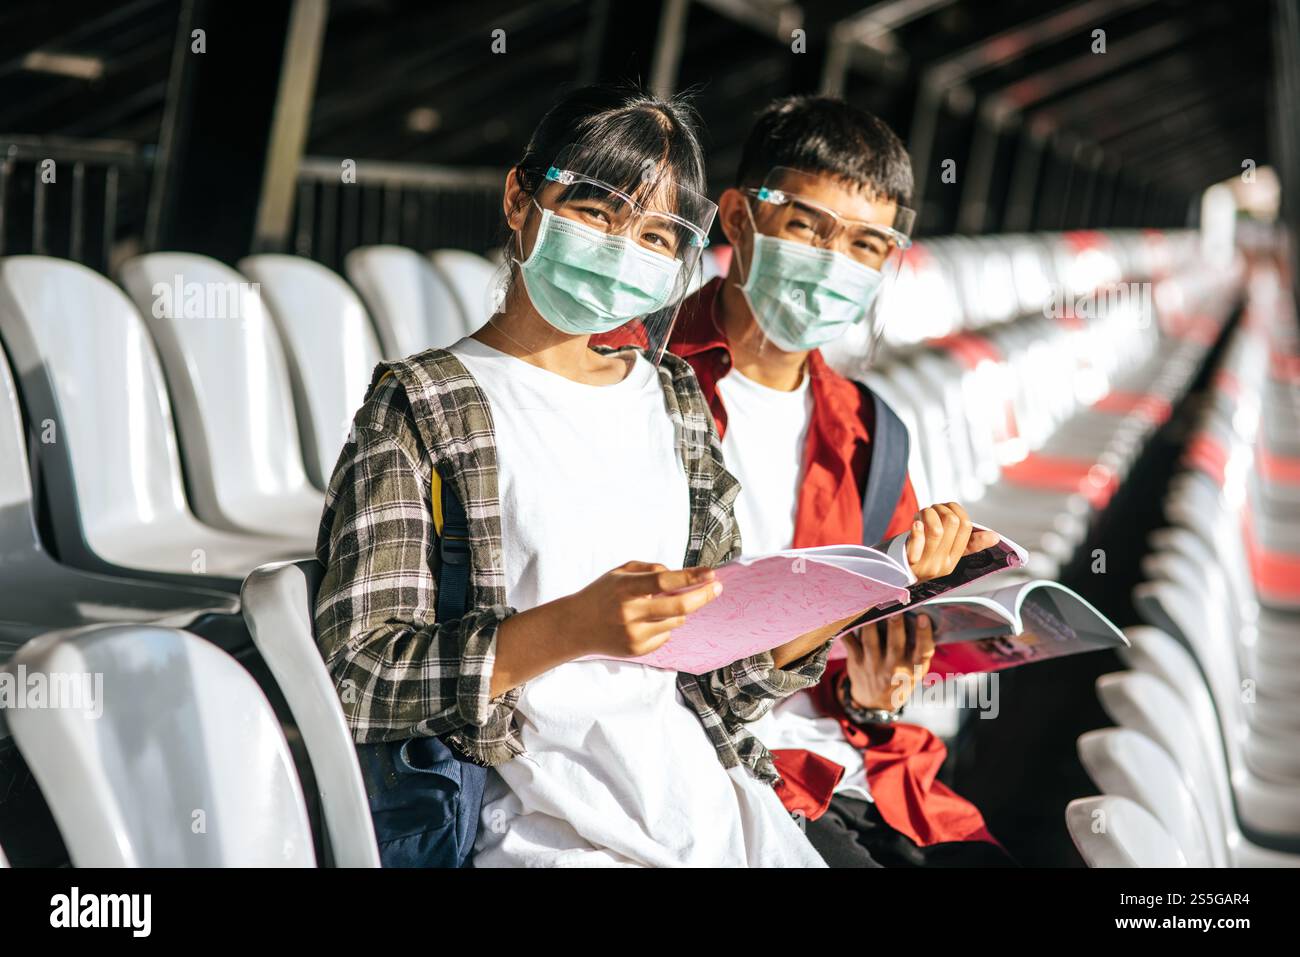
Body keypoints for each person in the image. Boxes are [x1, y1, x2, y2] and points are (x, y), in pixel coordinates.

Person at [314, 84, 836, 868]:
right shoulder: (424, 404)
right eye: (597, 212)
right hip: (544, 832)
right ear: (519, 199)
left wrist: (840, 608)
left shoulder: (673, 397)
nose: (626, 248)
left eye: (659, 235)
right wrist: (572, 628)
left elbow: (720, 685)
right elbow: (356, 674)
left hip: (714, 813)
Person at [606, 94, 1014, 866]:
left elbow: (859, 653)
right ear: (736, 218)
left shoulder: (870, 429)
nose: (835, 261)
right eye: (806, 226)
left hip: (861, 770)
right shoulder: (626, 377)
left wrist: (874, 689)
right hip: (710, 773)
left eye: (867, 244)